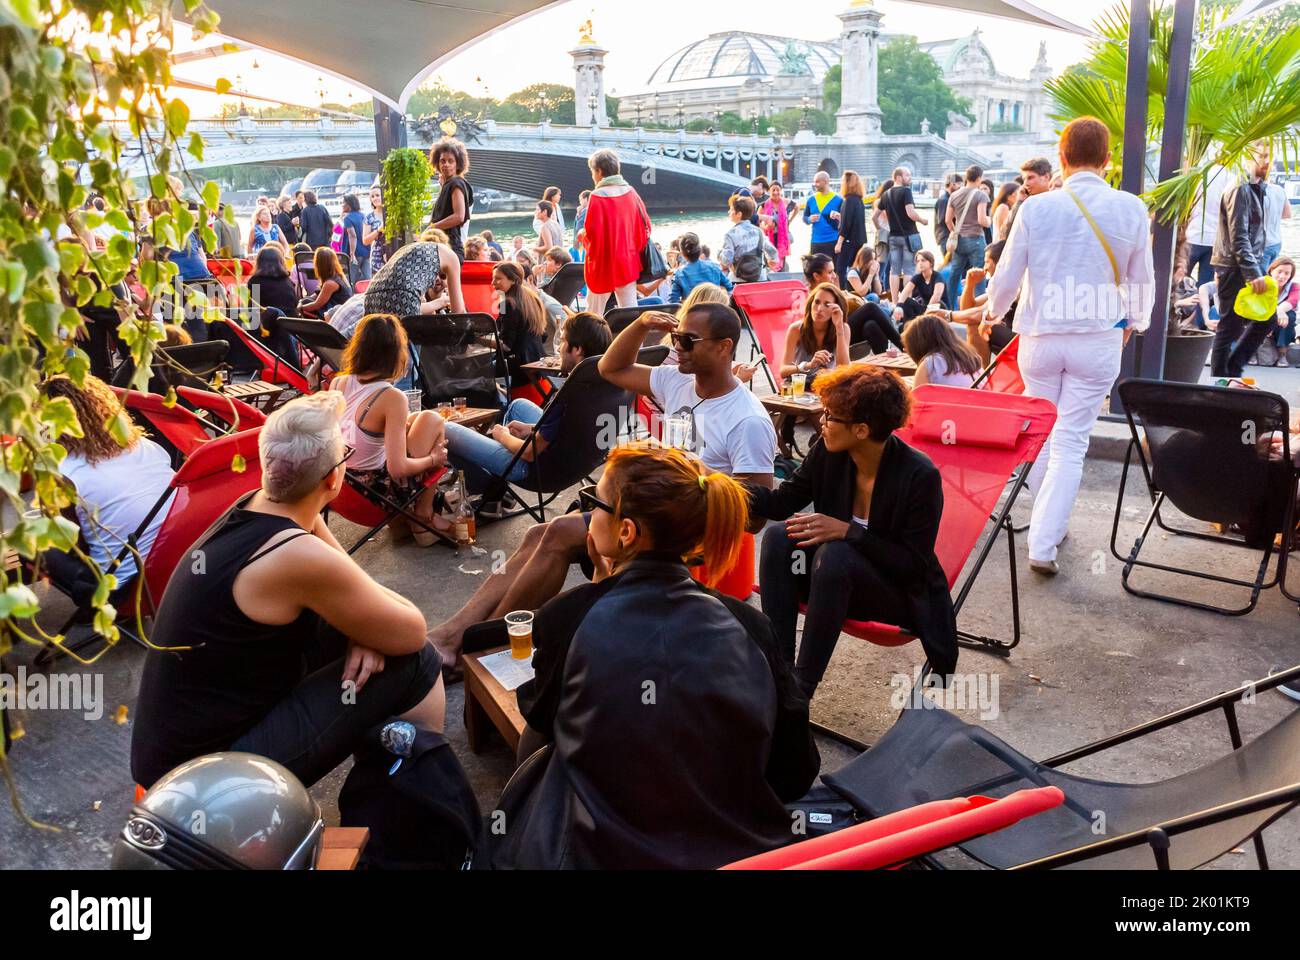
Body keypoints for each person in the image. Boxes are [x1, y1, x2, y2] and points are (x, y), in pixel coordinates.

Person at [493, 442, 818, 870]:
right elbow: (795, 772)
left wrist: (598, 588)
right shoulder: (751, 626)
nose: (584, 512)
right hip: (738, 851)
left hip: (596, 853)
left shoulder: (567, 617)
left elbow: (545, 729)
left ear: (626, 532)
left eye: (592, 502)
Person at [427, 300, 776, 673]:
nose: (677, 348)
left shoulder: (748, 420)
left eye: (688, 341)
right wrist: (640, 323)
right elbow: (611, 367)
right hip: (648, 511)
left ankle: (482, 645)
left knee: (559, 532)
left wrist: (695, 469)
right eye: (676, 337)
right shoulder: (680, 381)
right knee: (538, 534)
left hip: (689, 530)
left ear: (724, 347)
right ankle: (464, 635)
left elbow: (753, 518)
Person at [130, 392, 445, 789]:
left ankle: (392, 768)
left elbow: (351, 584)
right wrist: (373, 631)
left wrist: (365, 629)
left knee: (357, 632)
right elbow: (411, 631)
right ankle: (421, 794)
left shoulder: (257, 506)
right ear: (333, 478)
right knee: (415, 660)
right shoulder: (294, 555)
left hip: (171, 757)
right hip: (204, 781)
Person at [982, 116, 1155, 576]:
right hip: (1098, 338)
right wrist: (1134, 322)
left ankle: (1048, 526)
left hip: (1041, 336)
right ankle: (1045, 538)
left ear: (1061, 158)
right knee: (1071, 442)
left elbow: (1007, 275)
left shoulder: (1036, 208)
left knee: (1040, 435)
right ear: (1107, 160)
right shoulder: (1130, 208)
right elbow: (1142, 279)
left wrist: (992, 313)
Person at [750, 366, 957, 698]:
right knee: (779, 537)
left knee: (836, 554)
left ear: (861, 429)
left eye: (830, 416)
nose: (821, 422)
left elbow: (912, 566)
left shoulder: (919, 476)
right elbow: (778, 504)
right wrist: (717, 483)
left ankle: (801, 691)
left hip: (896, 595)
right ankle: (780, 672)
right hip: (830, 584)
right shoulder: (829, 453)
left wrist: (849, 533)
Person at [38, 375, 175, 616]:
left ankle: (92, 609)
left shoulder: (65, 474)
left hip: (124, 591)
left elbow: (68, 542)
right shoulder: (148, 446)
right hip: (177, 569)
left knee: (41, 545)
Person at [444, 312, 611, 495]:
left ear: (577, 349)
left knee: (445, 429)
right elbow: (568, 430)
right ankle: (496, 484)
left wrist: (503, 436)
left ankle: (491, 491)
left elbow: (530, 453)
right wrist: (531, 428)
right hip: (575, 464)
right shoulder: (602, 385)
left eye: (563, 341)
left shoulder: (568, 393)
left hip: (535, 471)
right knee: (518, 405)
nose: (559, 349)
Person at [329, 313, 448, 542]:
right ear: (395, 353)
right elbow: (398, 469)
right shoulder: (390, 396)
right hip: (374, 497)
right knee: (432, 420)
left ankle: (403, 525)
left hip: (343, 489)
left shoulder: (338, 383)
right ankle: (423, 518)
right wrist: (434, 459)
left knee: (418, 420)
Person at [1210, 141, 1273, 379]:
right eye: (1263, 156)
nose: (1267, 161)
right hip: (1236, 266)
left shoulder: (1255, 188)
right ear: (1248, 156)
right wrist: (1253, 273)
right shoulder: (1240, 188)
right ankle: (1221, 380)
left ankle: (1231, 371)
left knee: (1265, 319)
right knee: (1230, 327)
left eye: (1269, 156)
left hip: (1245, 265)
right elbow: (1239, 237)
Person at [582, 149, 651, 315]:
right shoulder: (631, 192)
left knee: (594, 312)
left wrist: (581, 237)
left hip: (603, 263)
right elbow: (645, 227)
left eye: (592, 171)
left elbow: (592, 234)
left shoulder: (597, 195)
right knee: (630, 311)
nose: (592, 176)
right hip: (627, 261)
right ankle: (635, 342)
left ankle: (591, 341)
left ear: (599, 171)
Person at [363, 239, 465, 318]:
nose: (438, 279)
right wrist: (444, 301)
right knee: (411, 342)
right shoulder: (452, 258)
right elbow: (459, 312)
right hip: (403, 295)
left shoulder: (416, 253)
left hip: (371, 296)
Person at [782, 282, 850, 385]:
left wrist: (839, 328)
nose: (819, 309)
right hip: (799, 387)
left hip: (826, 386)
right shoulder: (796, 329)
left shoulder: (843, 329)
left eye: (827, 304)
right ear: (811, 303)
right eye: (817, 302)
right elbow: (783, 371)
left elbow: (844, 370)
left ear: (836, 308)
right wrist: (809, 365)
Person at [492, 261, 548, 386]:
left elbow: (506, 345)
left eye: (498, 279)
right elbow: (543, 335)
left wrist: (477, 339)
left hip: (518, 370)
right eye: (493, 279)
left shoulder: (507, 304)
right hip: (538, 364)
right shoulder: (532, 298)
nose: (493, 283)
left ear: (513, 280)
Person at [881, 166, 929, 303]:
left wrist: (882, 228)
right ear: (898, 177)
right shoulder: (906, 192)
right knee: (909, 269)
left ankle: (895, 301)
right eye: (907, 175)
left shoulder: (886, 194)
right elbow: (910, 213)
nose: (910, 178)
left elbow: (875, 216)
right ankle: (906, 300)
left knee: (894, 270)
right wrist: (922, 220)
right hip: (909, 236)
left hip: (893, 236)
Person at [945, 165, 991, 302]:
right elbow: (982, 220)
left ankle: (951, 307)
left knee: (955, 274)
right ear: (979, 178)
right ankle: (977, 307)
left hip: (959, 240)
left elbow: (947, 220)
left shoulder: (954, 194)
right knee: (978, 276)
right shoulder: (981, 195)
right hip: (976, 239)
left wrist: (954, 232)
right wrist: (989, 221)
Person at [904, 312, 982, 388]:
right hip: (980, 399)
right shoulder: (971, 357)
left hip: (952, 401)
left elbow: (914, 399)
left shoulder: (930, 364)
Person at [248, 246, 299, 359]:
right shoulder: (288, 281)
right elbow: (294, 304)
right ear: (280, 261)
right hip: (291, 329)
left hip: (266, 332)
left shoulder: (255, 281)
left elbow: (251, 311)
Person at [429, 138, 474, 262]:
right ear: (437, 163)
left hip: (450, 248)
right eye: (442, 161)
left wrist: (432, 227)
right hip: (446, 248)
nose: (446, 165)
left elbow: (459, 216)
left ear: (458, 164)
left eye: (450, 161)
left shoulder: (456, 183)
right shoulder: (450, 184)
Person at [719, 194, 779, 283]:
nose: (729, 212)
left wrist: (719, 254)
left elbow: (727, 261)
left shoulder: (730, 234)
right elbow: (772, 251)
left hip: (738, 281)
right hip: (760, 278)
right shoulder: (759, 231)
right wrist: (772, 260)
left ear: (739, 214)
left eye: (731, 209)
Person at [671, 231, 732, 302]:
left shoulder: (679, 274)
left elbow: (673, 300)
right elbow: (729, 288)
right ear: (700, 250)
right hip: (716, 309)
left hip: (693, 311)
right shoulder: (714, 267)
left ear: (681, 253)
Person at [835, 171, 869, 288]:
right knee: (853, 267)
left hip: (849, 241)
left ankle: (844, 292)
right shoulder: (859, 200)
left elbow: (846, 224)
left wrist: (839, 242)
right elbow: (855, 221)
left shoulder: (848, 200)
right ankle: (853, 290)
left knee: (840, 268)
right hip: (859, 239)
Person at [299, 247, 352, 320]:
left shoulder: (330, 283)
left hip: (337, 314)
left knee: (305, 304)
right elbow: (317, 294)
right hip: (335, 309)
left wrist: (299, 308)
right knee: (305, 301)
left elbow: (317, 305)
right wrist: (302, 301)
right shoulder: (338, 275)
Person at [803, 170, 842, 262]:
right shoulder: (811, 200)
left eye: (817, 181)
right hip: (816, 241)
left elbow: (846, 221)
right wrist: (809, 219)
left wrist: (839, 217)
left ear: (825, 182)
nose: (814, 184)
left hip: (833, 240)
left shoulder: (838, 199)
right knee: (815, 270)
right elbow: (804, 218)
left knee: (833, 271)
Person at [898, 250, 947, 321]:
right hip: (924, 308)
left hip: (939, 309)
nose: (920, 263)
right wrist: (899, 306)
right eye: (918, 261)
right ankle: (909, 326)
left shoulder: (938, 277)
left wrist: (927, 313)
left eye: (923, 260)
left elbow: (937, 296)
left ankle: (921, 322)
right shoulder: (917, 277)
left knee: (938, 303)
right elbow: (905, 292)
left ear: (931, 262)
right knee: (906, 301)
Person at [1267, 257, 1299, 365]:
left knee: (1289, 315)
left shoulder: (1294, 287)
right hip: (1263, 326)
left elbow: (1293, 301)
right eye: (1279, 272)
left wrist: (1280, 310)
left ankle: (1282, 354)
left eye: (1287, 273)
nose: (1282, 276)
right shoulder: (1262, 284)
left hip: (1282, 329)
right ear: (1271, 271)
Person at [761, 181, 793, 271]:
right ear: (769, 192)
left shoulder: (786, 203)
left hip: (782, 236)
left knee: (781, 258)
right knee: (769, 257)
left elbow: (796, 208)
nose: (775, 192)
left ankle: (780, 272)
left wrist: (789, 221)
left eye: (778, 190)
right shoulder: (764, 205)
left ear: (781, 191)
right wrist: (765, 227)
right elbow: (758, 221)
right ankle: (771, 272)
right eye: (773, 190)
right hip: (769, 236)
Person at [340, 194, 371, 285]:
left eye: (343, 203)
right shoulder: (363, 216)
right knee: (368, 279)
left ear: (349, 205)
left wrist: (352, 253)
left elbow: (352, 236)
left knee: (350, 281)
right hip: (366, 251)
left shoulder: (348, 218)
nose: (342, 205)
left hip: (354, 253)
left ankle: (351, 298)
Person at [1262, 173, 1290, 268]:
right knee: (1270, 277)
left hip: (1261, 244)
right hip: (1276, 242)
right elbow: (1287, 214)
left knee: (1260, 279)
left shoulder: (1254, 191)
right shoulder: (1279, 190)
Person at [933, 174, 962, 254]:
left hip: (946, 235)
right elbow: (943, 220)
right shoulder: (944, 200)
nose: (960, 187)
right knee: (949, 264)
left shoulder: (947, 199)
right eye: (959, 184)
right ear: (952, 184)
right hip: (946, 236)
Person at [363, 185, 386, 274]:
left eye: (377, 195)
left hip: (392, 253)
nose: (375, 198)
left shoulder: (391, 214)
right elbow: (365, 241)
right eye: (372, 197)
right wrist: (378, 230)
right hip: (377, 258)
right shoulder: (369, 217)